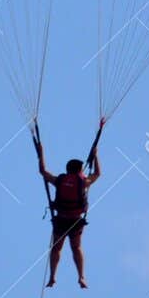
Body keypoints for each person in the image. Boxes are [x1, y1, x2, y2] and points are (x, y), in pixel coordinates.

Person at [33, 119, 103, 288]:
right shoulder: (83, 182)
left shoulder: (60, 180)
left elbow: (42, 171)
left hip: (61, 220)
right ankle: (81, 277)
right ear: (79, 170)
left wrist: (40, 152)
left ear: (67, 169)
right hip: (75, 221)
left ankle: (52, 277)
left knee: (56, 249)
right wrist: (96, 155)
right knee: (76, 248)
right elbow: (98, 174)